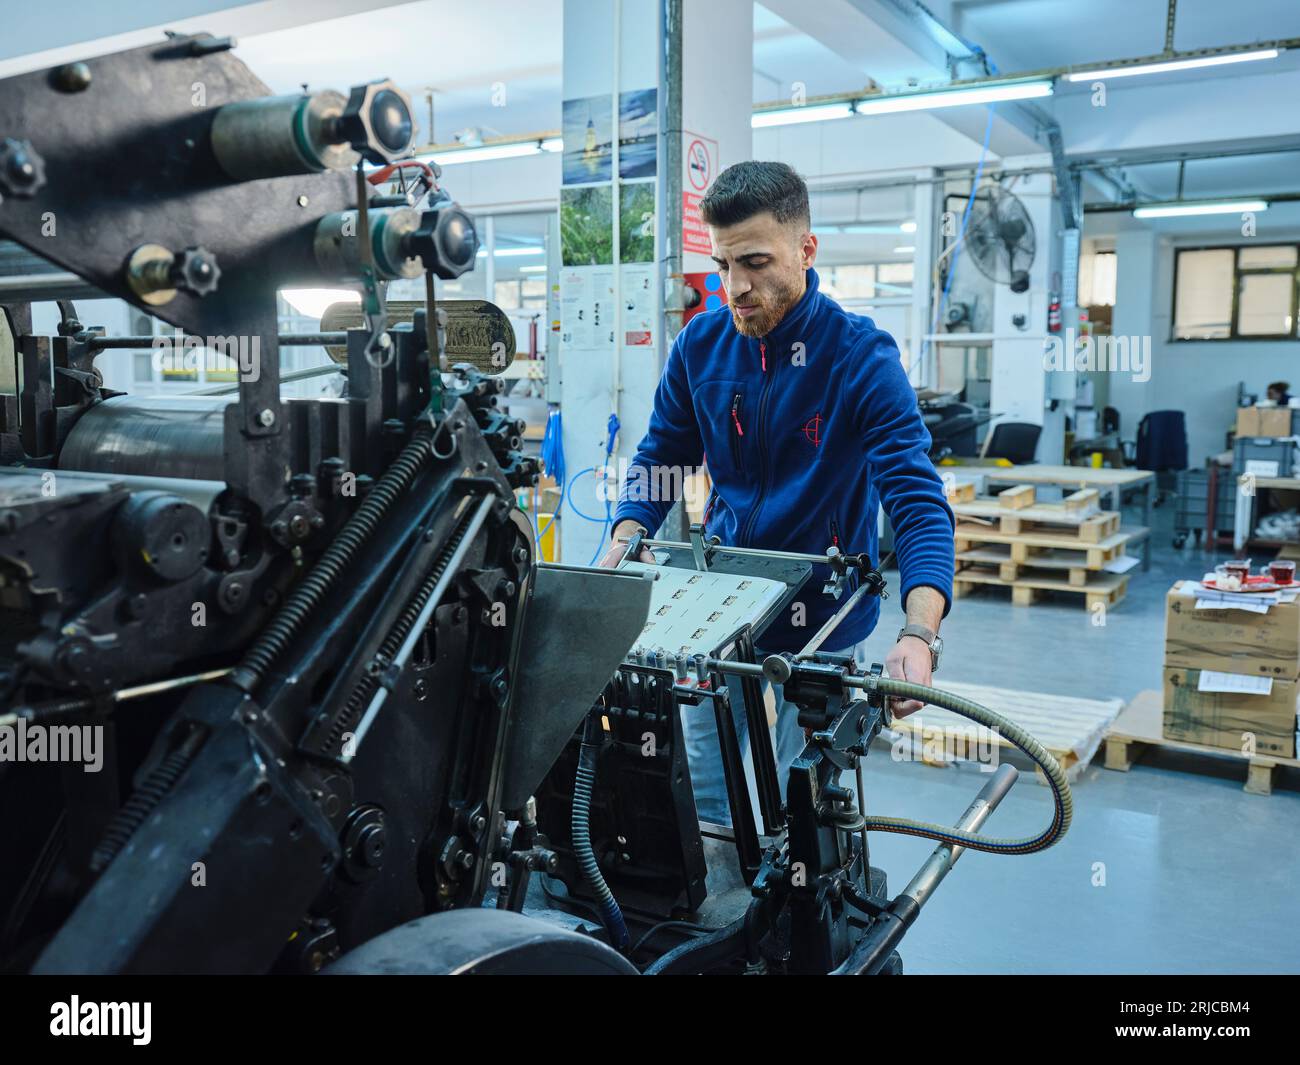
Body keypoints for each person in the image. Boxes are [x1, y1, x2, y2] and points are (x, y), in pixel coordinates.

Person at [597, 161, 954, 825]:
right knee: (710, 799)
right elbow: (662, 458)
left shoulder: (858, 357)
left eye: (756, 262)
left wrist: (919, 630)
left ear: (805, 250)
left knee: (800, 808)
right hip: (724, 608)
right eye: (724, 264)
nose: (736, 287)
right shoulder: (700, 347)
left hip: (819, 620)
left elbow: (915, 495)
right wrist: (624, 537)